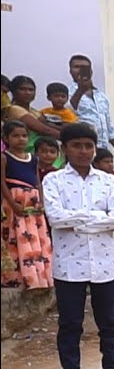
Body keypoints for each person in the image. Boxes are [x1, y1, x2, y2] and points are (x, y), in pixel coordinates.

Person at [42, 122, 114, 369]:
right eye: (77, 145)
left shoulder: (109, 181)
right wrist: (97, 219)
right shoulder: (53, 181)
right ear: (65, 149)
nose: (83, 151)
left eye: (88, 146)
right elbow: (56, 218)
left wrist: (78, 220)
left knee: (110, 323)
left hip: (104, 263)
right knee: (70, 324)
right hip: (69, 265)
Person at [2, 121, 53, 289]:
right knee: (16, 238)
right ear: (6, 138)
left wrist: (42, 201)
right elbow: (2, 183)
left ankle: (39, 276)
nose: (21, 139)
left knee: (36, 238)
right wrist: (12, 203)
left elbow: (37, 182)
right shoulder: (4, 157)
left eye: (24, 135)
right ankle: (17, 277)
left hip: (33, 204)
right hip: (14, 202)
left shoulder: (33, 159)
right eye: (15, 136)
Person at [68, 55, 114, 165]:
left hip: (102, 152)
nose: (80, 70)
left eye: (84, 68)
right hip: (82, 151)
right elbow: (69, 111)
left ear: (91, 71)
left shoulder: (101, 96)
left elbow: (109, 126)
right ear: (70, 70)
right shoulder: (66, 93)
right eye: (77, 67)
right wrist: (81, 90)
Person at [3, 76, 63, 142]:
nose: (27, 92)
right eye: (22, 89)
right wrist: (69, 137)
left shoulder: (34, 111)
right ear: (13, 91)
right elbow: (45, 130)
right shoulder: (14, 109)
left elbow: (48, 125)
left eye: (31, 90)